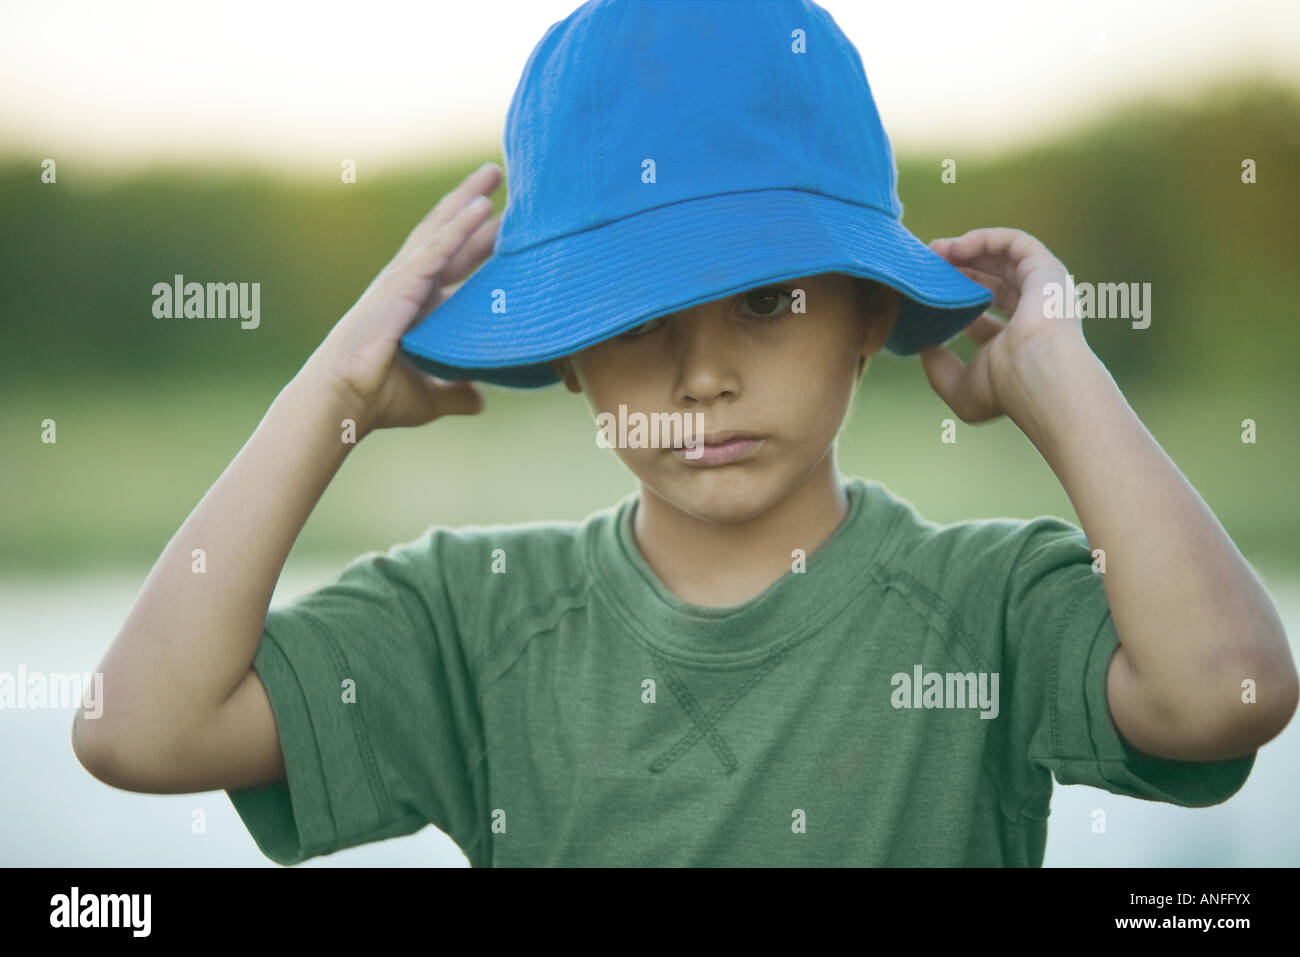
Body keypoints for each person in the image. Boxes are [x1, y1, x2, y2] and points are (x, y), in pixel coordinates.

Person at [71, 0, 1296, 867]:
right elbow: (139, 731)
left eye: (767, 302)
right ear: (567, 356)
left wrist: (1061, 379)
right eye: (635, 314)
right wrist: (328, 398)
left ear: (869, 316)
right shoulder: (470, 618)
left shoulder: (983, 606)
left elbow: (1227, 693)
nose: (701, 375)